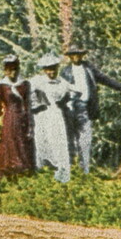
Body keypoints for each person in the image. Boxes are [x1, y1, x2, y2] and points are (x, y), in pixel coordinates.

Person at [59, 44, 121, 173]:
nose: (76, 57)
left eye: (78, 54)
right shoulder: (65, 72)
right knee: (70, 138)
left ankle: (84, 169)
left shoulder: (89, 69)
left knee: (85, 137)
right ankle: (70, 168)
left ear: (82, 55)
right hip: (70, 107)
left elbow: (105, 79)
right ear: (70, 57)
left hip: (85, 107)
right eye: (73, 55)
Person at [28, 53, 74, 183]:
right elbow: (25, 92)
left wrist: (64, 102)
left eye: (54, 68)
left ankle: (61, 175)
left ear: (57, 68)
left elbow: (72, 94)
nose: (51, 72)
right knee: (41, 141)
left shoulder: (62, 83)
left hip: (56, 116)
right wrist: (36, 103)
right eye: (48, 69)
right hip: (41, 115)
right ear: (44, 69)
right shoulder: (37, 81)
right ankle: (41, 172)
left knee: (57, 141)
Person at [0, 53, 35, 181]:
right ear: (5, 70)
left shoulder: (24, 84)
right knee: (9, 142)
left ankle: (22, 171)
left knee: (22, 141)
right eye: (9, 69)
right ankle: (8, 170)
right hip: (9, 117)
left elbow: (27, 103)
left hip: (22, 117)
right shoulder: (1, 85)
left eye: (15, 69)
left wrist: (29, 120)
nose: (12, 72)